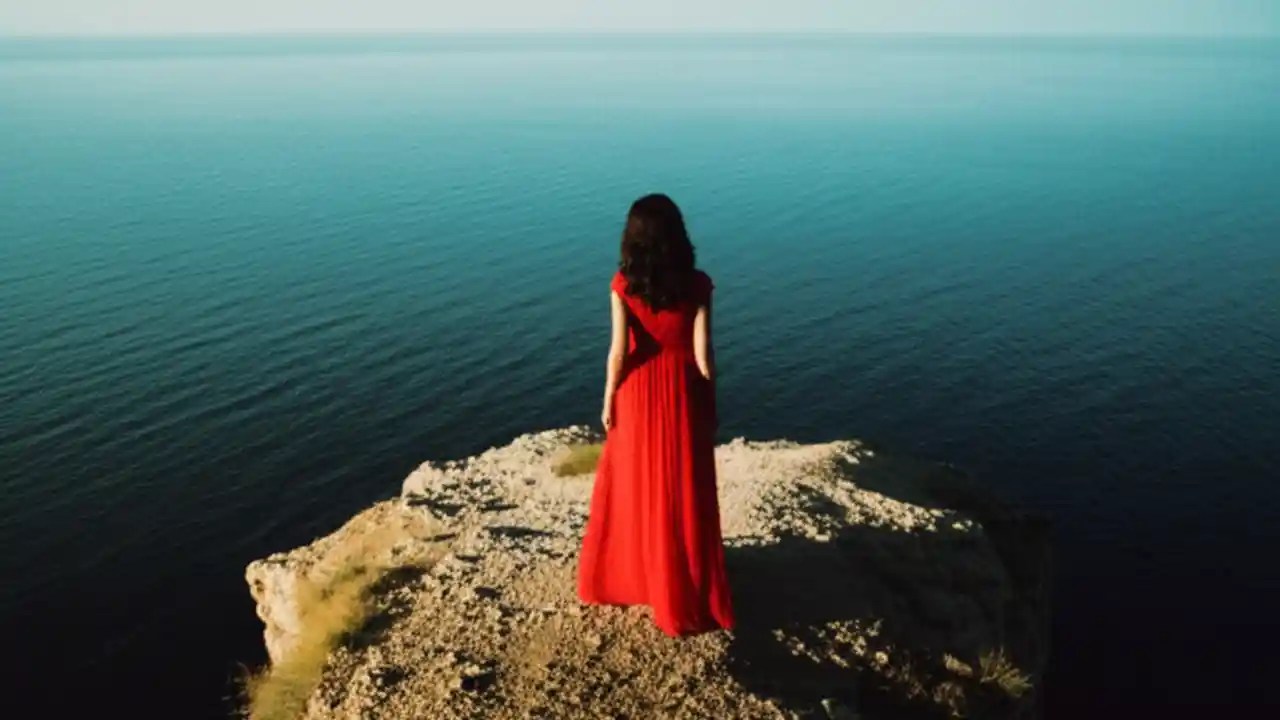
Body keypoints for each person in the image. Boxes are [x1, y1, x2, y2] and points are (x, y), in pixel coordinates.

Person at [577, 193, 735, 636]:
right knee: (683, 486)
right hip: (683, 391)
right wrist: (710, 400)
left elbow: (617, 354)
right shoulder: (698, 284)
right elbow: (705, 355)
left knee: (637, 485)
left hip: (637, 393)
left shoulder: (623, 285)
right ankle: (683, 585)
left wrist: (608, 401)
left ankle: (639, 577)